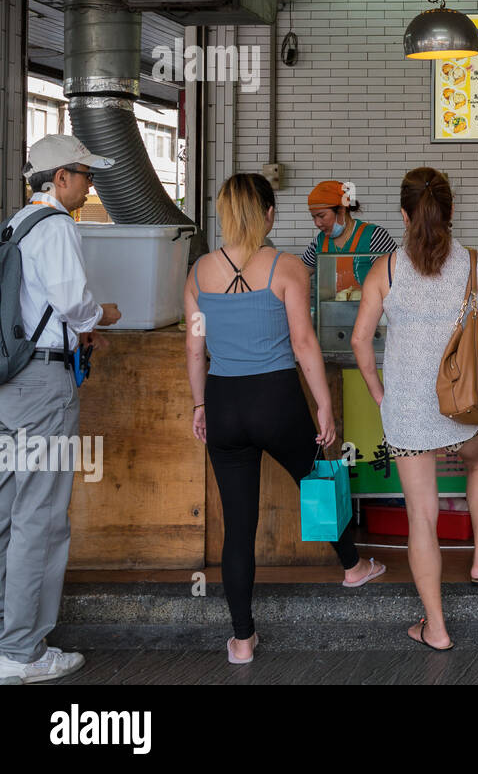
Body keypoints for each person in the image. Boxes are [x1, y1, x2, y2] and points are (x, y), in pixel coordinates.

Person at [185, 173, 385, 665]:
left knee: (238, 527)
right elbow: (303, 342)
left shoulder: (198, 273)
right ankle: (353, 567)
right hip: (276, 399)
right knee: (317, 479)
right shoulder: (287, 266)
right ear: (269, 214)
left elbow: (194, 347)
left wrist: (200, 405)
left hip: (223, 402)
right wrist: (323, 404)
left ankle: (242, 640)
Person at [351, 168, 478, 651]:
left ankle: (435, 627)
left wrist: (380, 394)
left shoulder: (386, 271)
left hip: (408, 411)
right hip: (463, 405)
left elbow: (360, 340)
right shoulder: (476, 264)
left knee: (422, 516)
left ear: (403, 216)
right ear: (451, 211)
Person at [0, 136, 121, 684]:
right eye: (86, 175)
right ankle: (22, 652)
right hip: (43, 387)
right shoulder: (56, 226)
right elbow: (75, 303)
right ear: (60, 178)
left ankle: (6, 634)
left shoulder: (14, 225)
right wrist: (103, 315)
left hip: (9, 383)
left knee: (8, 511)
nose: (90, 186)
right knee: (42, 515)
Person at [301, 180, 397, 297]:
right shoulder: (319, 241)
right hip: (330, 308)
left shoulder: (374, 236)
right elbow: (299, 273)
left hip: (371, 308)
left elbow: (397, 278)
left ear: (342, 210)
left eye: (321, 216)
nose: (317, 223)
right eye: (314, 217)